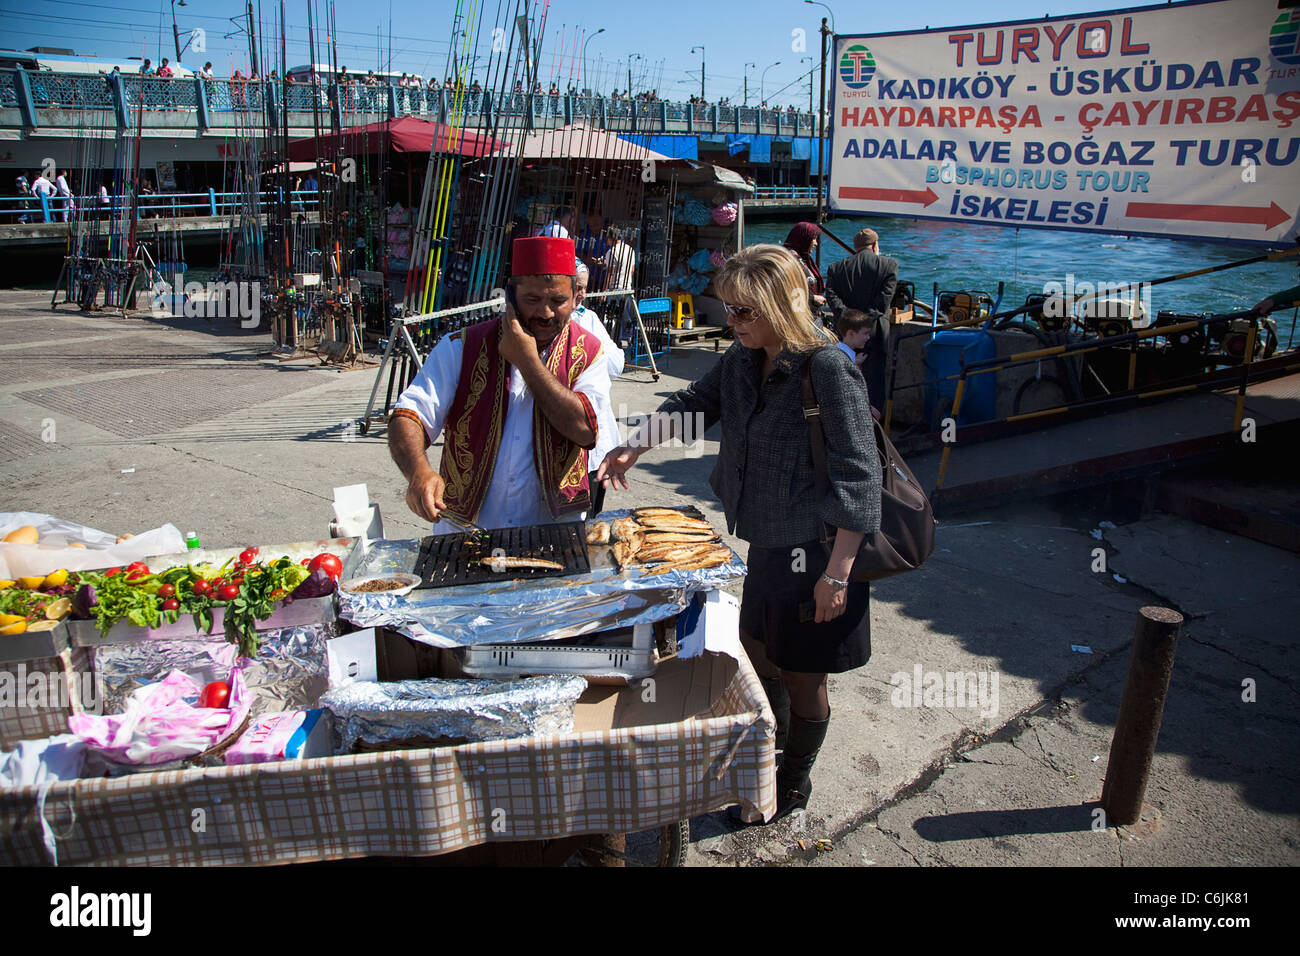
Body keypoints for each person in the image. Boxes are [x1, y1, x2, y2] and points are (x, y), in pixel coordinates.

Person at [597, 245, 880, 821]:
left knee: (803, 675)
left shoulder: (827, 367)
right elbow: (695, 403)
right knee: (757, 656)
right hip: (771, 546)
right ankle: (768, 756)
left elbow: (859, 474)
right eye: (728, 309)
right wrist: (632, 447)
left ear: (782, 305)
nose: (732, 322)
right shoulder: (745, 357)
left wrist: (838, 575)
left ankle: (792, 781)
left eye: (744, 311)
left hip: (819, 553)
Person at [388, 236, 614, 534]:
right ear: (510, 296)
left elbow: (584, 430)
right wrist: (417, 471)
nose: (545, 312)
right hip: (465, 529)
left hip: (552, 531)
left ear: (575, 299)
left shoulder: (590, 352)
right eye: (532, 300)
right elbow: (408, 415)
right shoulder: (460, 347)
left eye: (558, 301)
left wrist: (527, 362)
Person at [824, 227, 899, 414]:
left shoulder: (836, 268)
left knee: (845, 382)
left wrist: (849, 320)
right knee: (874, 387)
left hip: (846, 334)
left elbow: (832, 298)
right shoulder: (888, 265)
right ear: (874, 245)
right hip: (875, 334)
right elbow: (882, 302)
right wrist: (863, 323)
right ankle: (874, 431)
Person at [573, 258, 625, 515]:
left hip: (600, 438)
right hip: (566, 440)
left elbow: (616, 365)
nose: (582, 294)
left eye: (584, 287)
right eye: (576, 287)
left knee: (592, 514)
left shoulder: (589, 318)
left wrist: (592, 354)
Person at [782, 221, 827, 312]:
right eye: (813, 238)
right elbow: (784, 291)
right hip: (796, 318)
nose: (816, 243)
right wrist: (812, 299)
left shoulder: (802, 259)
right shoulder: (788, 261)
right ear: (804, 238)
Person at [602, 226, 636, 292]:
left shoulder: (611, 251)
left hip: (615, 289)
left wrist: (604, 291)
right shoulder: (630, 250)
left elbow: (610, 272)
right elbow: (632, 270)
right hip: (628, 288)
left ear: (610, 238)